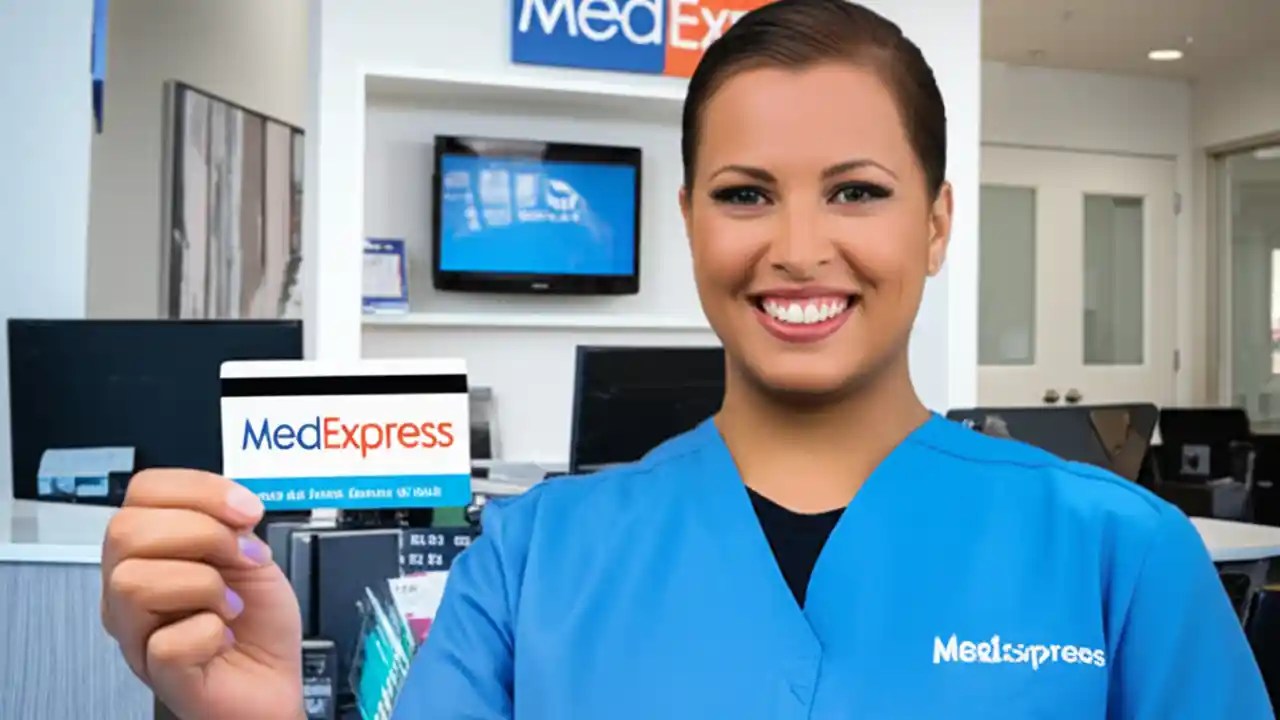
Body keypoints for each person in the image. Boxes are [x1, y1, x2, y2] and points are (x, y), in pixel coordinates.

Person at [100, 1, 1271, 718]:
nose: (797, 247)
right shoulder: (531, 559)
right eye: (744, 193)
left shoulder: (1122, 558)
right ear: (690, 220)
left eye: (856, 192)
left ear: (934, 222)